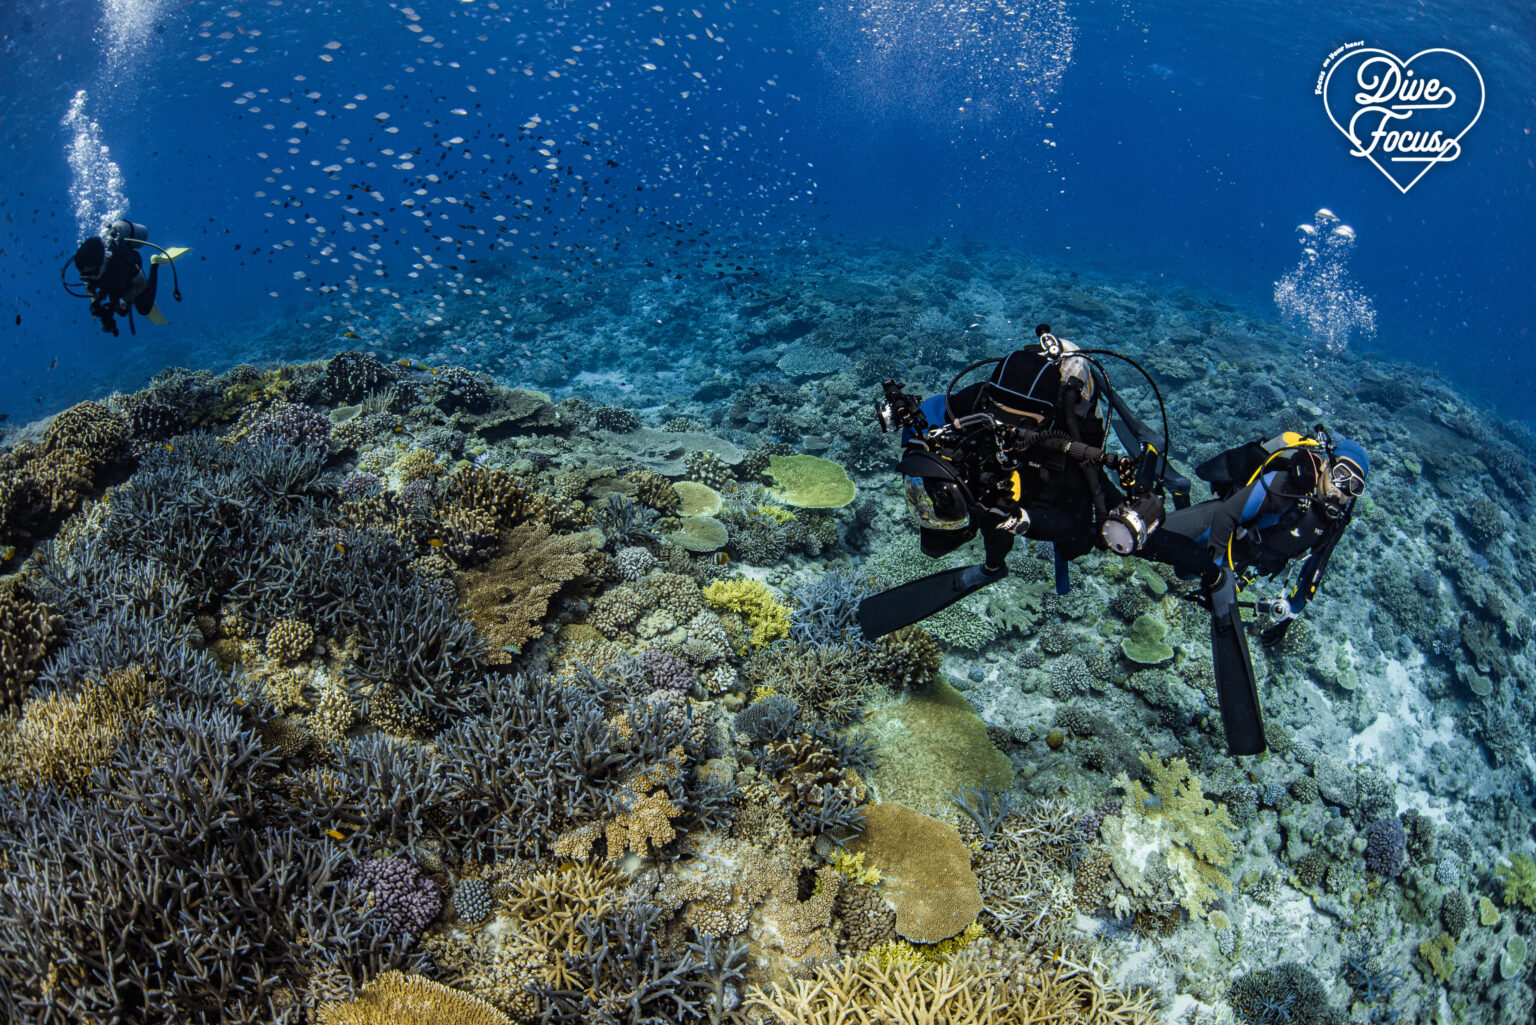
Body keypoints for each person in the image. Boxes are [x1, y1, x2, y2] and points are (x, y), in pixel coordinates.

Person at [858, 324, 1184, 638]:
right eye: (999, 412)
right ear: (989, 397)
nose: (1006, 427)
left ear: (1045, 418)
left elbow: (1078, 521)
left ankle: (1212, 569)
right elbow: (927, 411)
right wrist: (916, 444)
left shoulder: (1070, 443)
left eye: (1022, 421)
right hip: (1004, 477)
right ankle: (993, 566)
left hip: (1050, 487)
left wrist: (1021, 519)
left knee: (1114, 537)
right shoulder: (976, 403)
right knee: (987, 507)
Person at [1140, 428, 1369, 755]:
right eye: (1341, 474)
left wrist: (1291, 612)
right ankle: (1176, 489)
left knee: (1181, 570)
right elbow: (1227, 514)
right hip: (1217, 526)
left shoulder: (1333, 523)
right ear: (1327, 465)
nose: (1342, 490)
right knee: (1148, 537)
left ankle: (1185, 517)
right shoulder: (1289, 484)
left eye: (1354, 486)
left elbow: (1314, 570)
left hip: (1241, 556)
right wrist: (1218, 571)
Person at [61, 219, 189, 336]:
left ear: (102, 263)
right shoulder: (89, 268)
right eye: (85, 276)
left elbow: (141, 284)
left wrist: (123, 301)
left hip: (129, 279)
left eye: (92, 273)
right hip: (112, 282)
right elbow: (89, 285)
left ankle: (155, 263)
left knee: (144, 308)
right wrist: (96, 304)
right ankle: (123, 301)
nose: (89, 277)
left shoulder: (122, 260)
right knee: (122, 311)